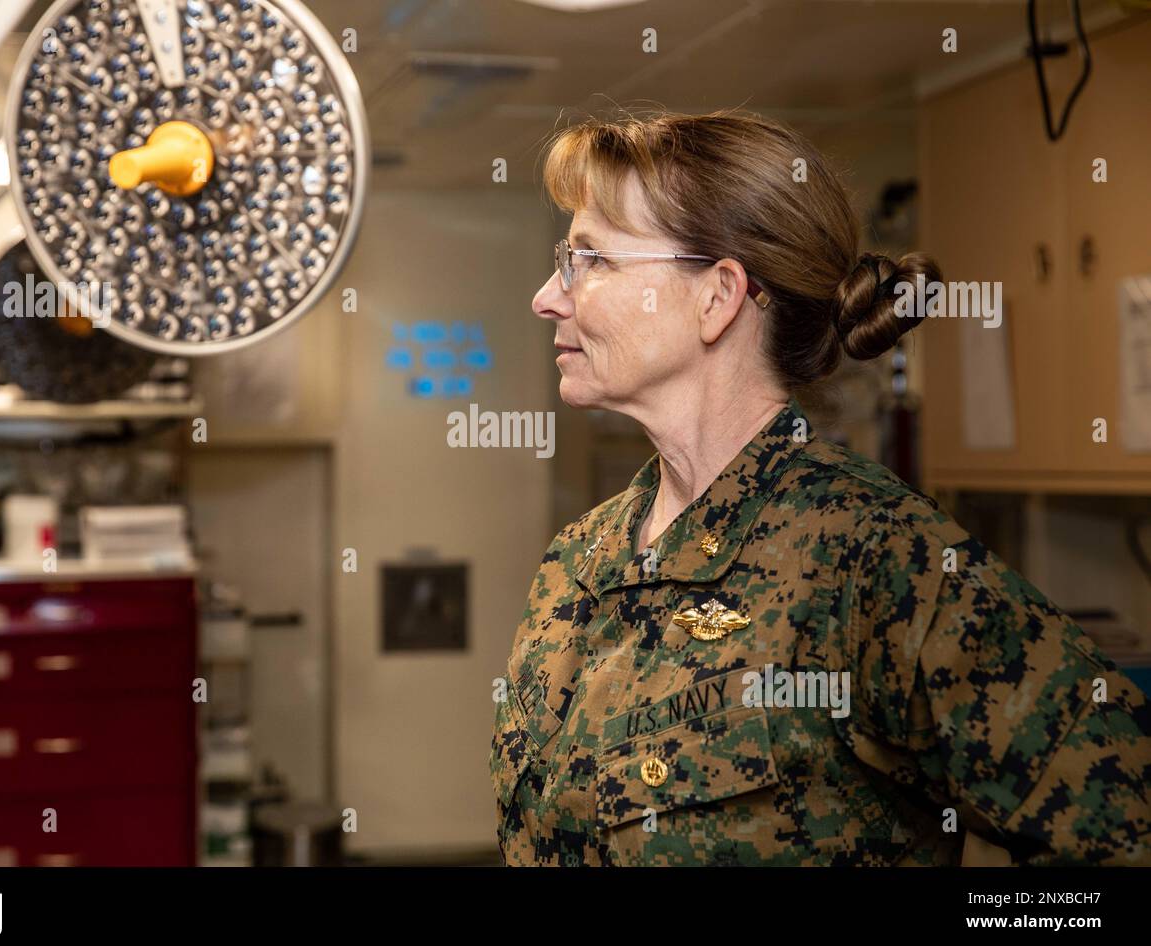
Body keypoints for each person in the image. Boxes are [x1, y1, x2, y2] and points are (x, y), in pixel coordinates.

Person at [491, 107, 1151, 866]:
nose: (549, 295)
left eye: (591, 260)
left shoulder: (874, 561)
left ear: (717, 296)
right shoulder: (577, 562)